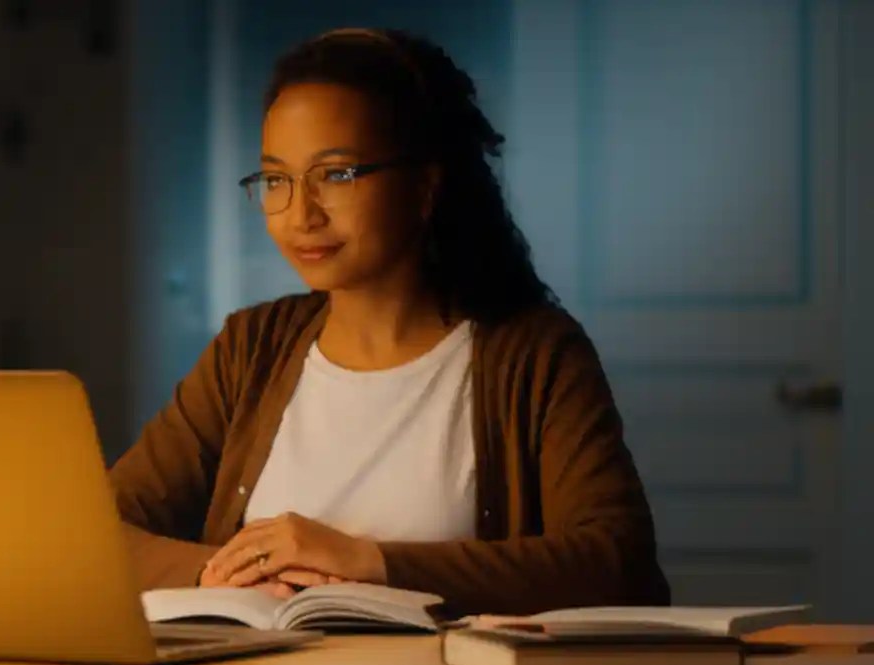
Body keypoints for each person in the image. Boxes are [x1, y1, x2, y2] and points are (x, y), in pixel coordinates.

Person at [109, 28, 670, 615]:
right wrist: (217, 574)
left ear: (425, 187)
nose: (302, 214)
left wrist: (368, 563)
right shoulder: (251, 350)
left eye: (337, 174)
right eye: (277, 180)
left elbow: (617, 560)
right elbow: (97, 529)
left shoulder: (532, 353)